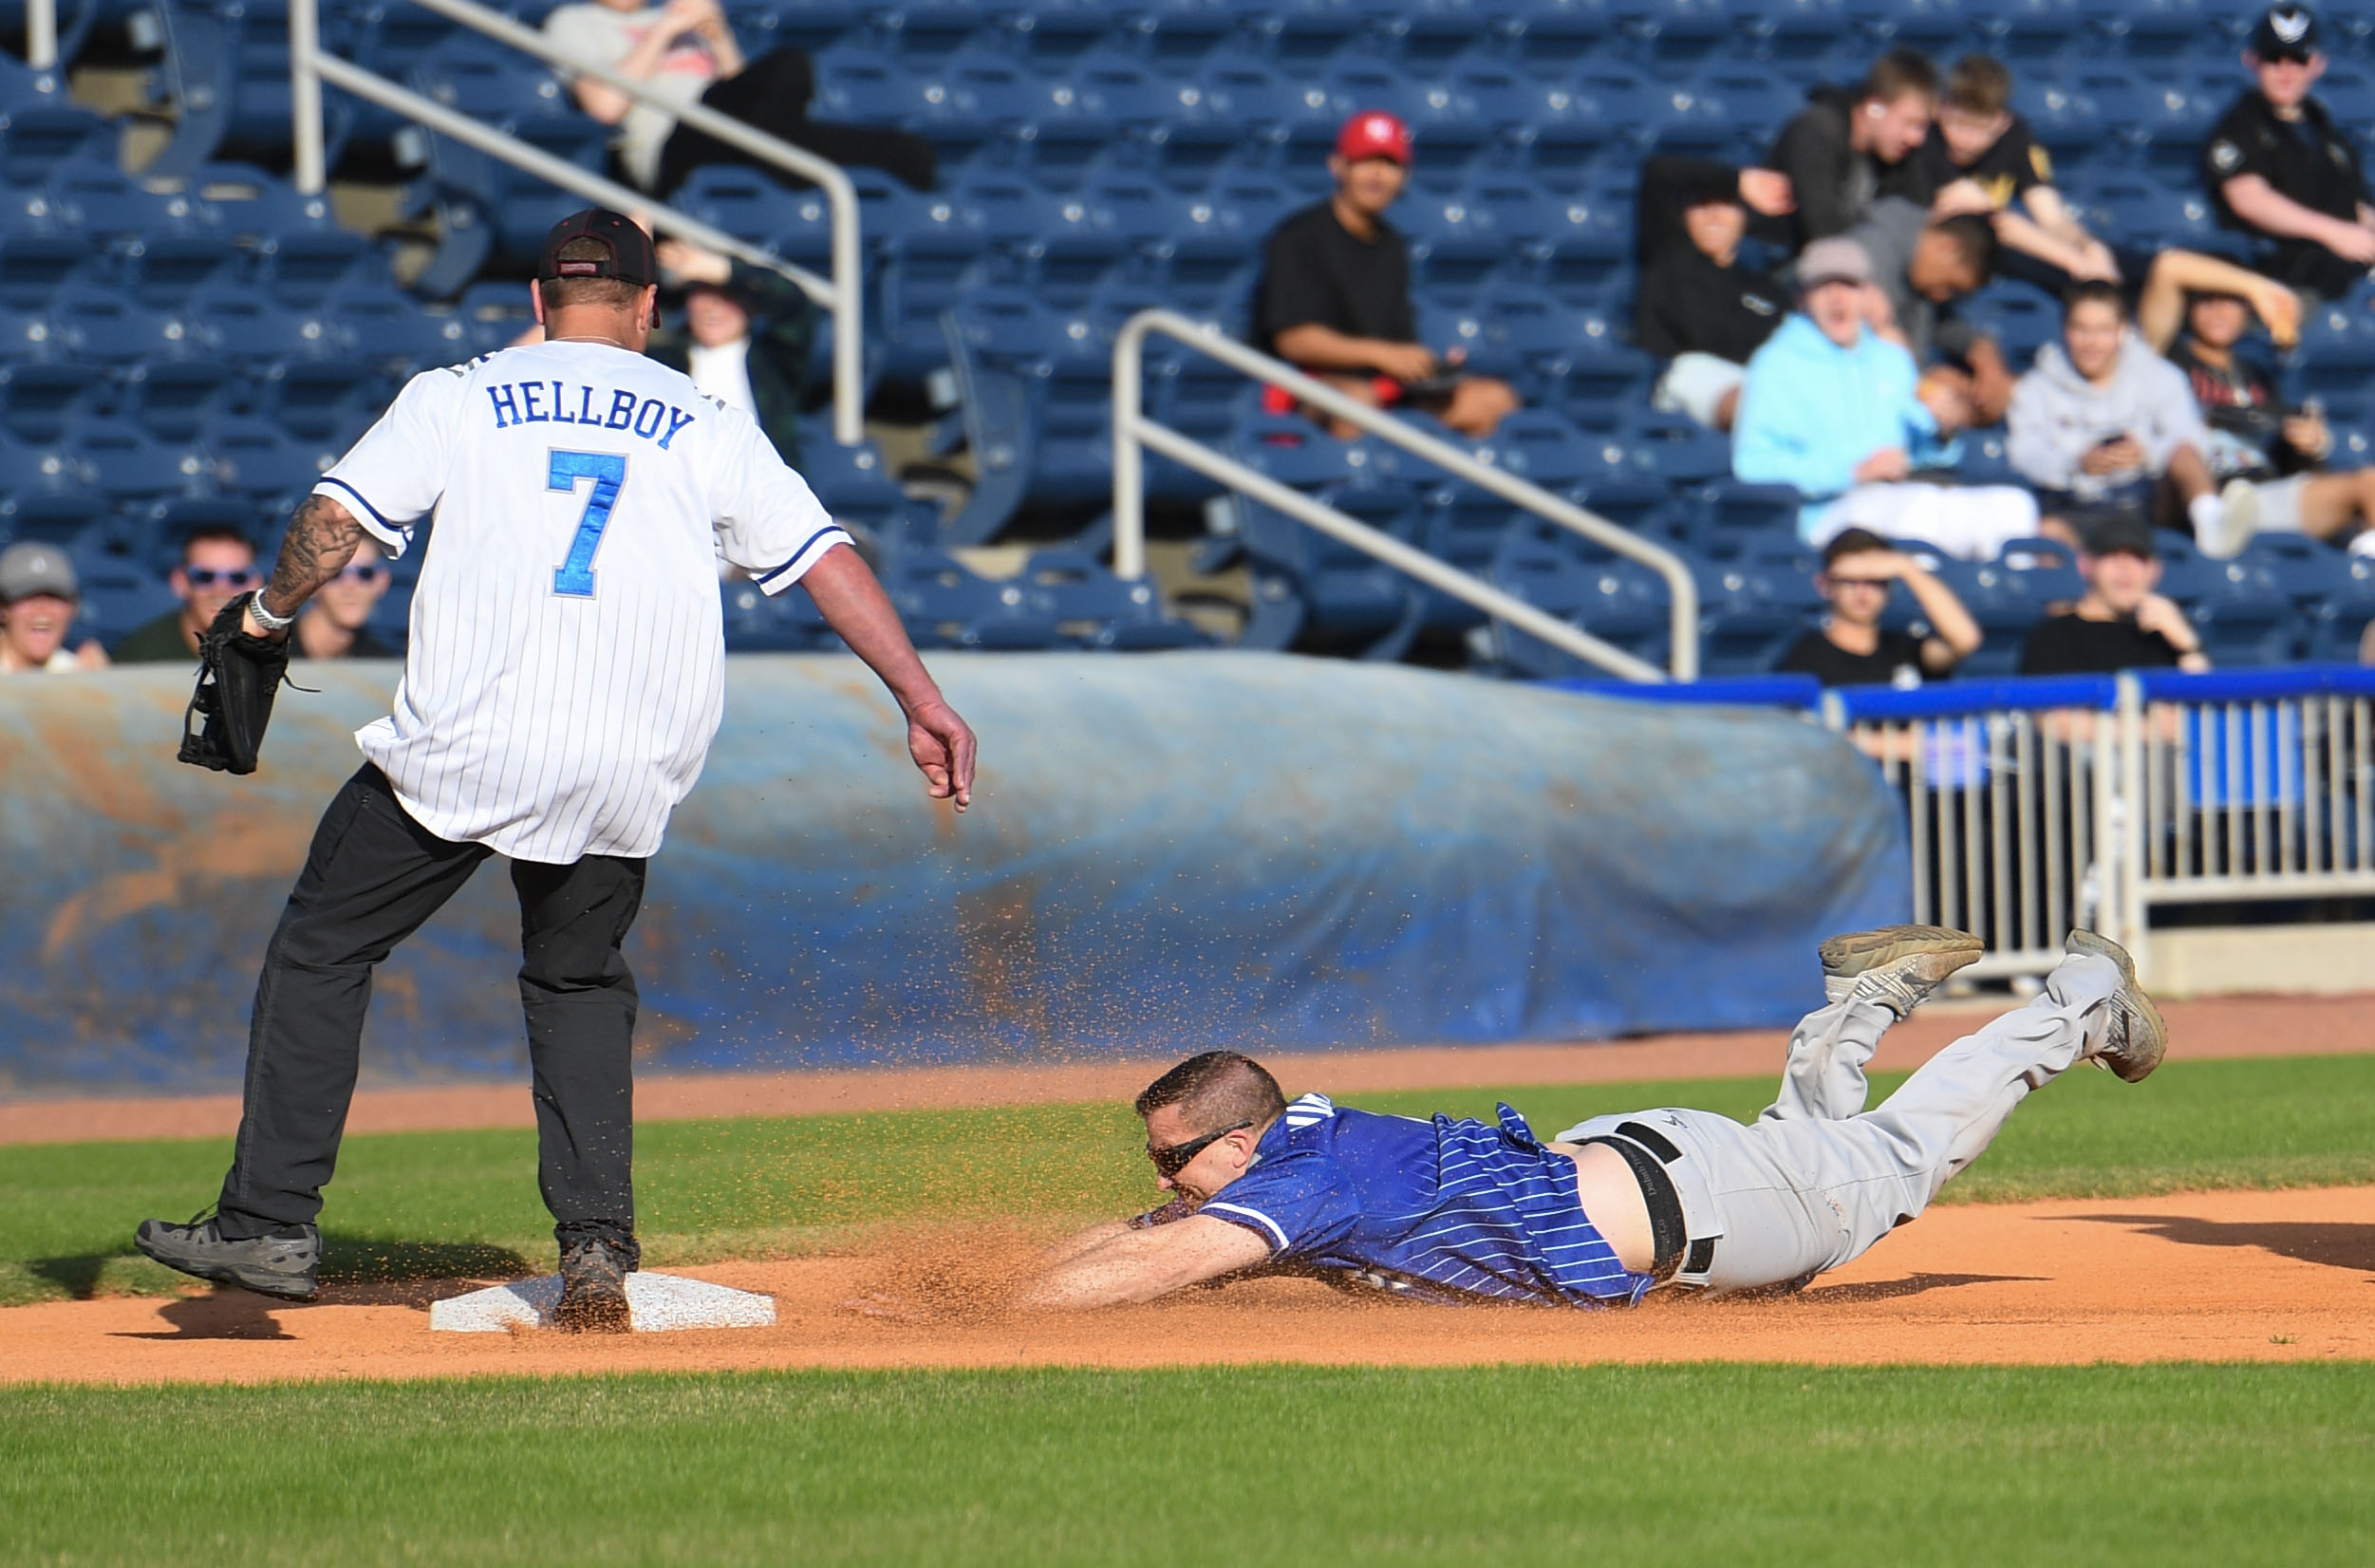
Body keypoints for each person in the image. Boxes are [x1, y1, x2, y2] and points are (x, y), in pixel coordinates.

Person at [133, 210, 978, 1331]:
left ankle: (268, 1220)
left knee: (323, 944)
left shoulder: (459, 393)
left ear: (538, 301)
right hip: (627, 757)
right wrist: (921, 699)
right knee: (576, 982)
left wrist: (266, 614)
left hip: (468, 743)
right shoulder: (705, 418)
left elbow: (335, 520)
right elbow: (823, 557)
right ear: (648, 306)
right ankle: (595, 1249)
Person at [1019, 926, 2164, 1310]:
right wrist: (994, 1277)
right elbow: (1148, 1234)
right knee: (1811, 1168)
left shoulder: (1306, 1182)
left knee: (1900, 1154)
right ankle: (1861, 998)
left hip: (1692, 1199)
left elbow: (1154, 1265)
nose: (1161, 1177)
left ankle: (2082, 1000)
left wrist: (1003, 1305)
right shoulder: (1301, 1143)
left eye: (1173, 1157)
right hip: (1665, 1173)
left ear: (1236, 1141)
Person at [1733, 236, 2039, 559]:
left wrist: (1941, 433)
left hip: (1902, 494)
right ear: (1803, 299)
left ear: (1866, 294)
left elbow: (1918, 455)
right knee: (1916, 508)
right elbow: (1753, 465)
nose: (1837, 298)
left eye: (1849, 285)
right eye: (1823, 287)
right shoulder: (1776, 364)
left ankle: (2010, 591)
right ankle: (1915, 593)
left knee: (2013, 506)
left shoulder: (1891, 359)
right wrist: (1851, 473)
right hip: (1823, 514)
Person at [1252, 111, 1520, 439]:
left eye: (1390, 164)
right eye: (1365, 161)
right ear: (1337, 166)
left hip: (1384, 386)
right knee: (1355, 403)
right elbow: (1294, 341)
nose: (1378, 174)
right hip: (1312, 386)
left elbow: (1397, 341)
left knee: (1493, 399)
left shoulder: (1392, 244)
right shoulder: (1298, 237)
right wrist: (1382, 354)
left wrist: (1429, 366)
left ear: (1404, 176)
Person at [541, 0, 934, 197]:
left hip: (743, 130)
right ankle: (790, 173)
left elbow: (748, 92)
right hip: (676, 142)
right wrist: (664, 31)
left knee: (906, 151)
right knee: (787, 64)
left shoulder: (679, 14)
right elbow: (605, 106)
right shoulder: (574, 21)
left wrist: (719, 36)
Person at [2006, 281, 2231, 551]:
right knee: (2047, 534)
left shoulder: (2159, 374)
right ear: (2065, 330)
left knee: (2185, 453)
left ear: (2122, 330)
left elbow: (2190, 436)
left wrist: (2144, 453)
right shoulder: (2035, 387)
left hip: (2147, 500)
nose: (2091, 343)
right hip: (2075, 504)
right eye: (2080, 329)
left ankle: (2212, 526)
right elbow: (2024, 452)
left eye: (2103, 330)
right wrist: (2078, 462)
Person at [2167, 288, 2375, 553]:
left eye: (2230, 301)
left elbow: (2296, 464)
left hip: (2260, 496)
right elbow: (2169, 271)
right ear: (2189, 307)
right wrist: (2255, 286)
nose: (2218, 312)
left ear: (2247, 309)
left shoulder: (2258, 373)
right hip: (2201, 496)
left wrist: (2312, 446)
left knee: (2370, 483)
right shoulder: (2169, 357)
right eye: (2207, 300)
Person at [2201, 5, 2375, 300]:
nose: (2286, 71)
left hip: (2341, 269)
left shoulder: (2325, 130)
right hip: (2279, 274)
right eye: (2273, 58)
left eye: (2298, 59)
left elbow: (2359, 206)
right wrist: (2335, 233)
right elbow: (2248, 200)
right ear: (2251, 60)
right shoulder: (2241, 126)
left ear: (2317, 64)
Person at [1905, 53, 2118, 287]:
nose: (1966, 139)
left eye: (1981, 127)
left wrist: (2089, 247)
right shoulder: (1924, 139)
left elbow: (2053, 219)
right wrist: (2076, 263)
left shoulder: (2016, 136)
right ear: (1939, 109)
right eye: (1959, 123)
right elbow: (1994, 220)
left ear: (2003, 122)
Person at [1633, 154, 1794, 432]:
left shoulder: (1765, 290)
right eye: (1702, 204)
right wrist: (1738, 181)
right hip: (1685, 376)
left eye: (1727, 205)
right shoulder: (1670, 259)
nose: (1715, 215)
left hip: (1756, 382)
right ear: (1683, 216)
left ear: (1744, 217)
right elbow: (1659, 172)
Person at [646, 235, 815, 463]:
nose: (712, 307)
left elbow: (794, 304)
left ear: (750, 304)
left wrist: (723, 270)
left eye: (727, 295)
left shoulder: (772, 360)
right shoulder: (663, 363)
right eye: (702, 293)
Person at [1842, 196, 2011, 418]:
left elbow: (1940, 321)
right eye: (1950, 287)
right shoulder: (1866, 258)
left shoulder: (1919, 275)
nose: (1942, 296)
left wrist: (1980, 349)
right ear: (1949, 246)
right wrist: (1924, 387)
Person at [1767, 49, 1939, 252]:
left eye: (1923, 127)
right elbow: (1821, 233)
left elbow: (1918, 220)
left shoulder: (1899, 153)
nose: (1917, 139)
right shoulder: (1815, 131)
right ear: (1875, 108)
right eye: (1910, 123)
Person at [1773, 527, 1980, 686]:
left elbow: (1965, 640)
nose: (1862, 592)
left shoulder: (1902, 649)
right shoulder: (1806, 656)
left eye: (1874, 581)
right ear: (1824, 585)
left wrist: (1907, 569)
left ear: (1889, 587)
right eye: (1850, 581)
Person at [2018, 513, 2211, 674]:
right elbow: (2055, 708)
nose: (2124, 566)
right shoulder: (2054, 637)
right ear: (2085, 564)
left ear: (2154, 569)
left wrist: (2188, 647)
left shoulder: (2167, 636)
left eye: (2137, 557)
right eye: (2111, 555)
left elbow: (2200, 703)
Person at [109, 527, 259, 664]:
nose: (221, 590)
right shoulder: (143, 655)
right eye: (205, 577)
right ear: (179, 582)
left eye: (238, 578)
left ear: (255, 584)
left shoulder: (269, 650)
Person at [0, 541, 107, 673]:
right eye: (28, 596)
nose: (42, 608)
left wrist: (98, 682)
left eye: (54, 596)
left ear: (74, 608)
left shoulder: (79, 671)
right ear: (3, 608)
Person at [290, 537, 397, 660]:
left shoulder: (380, 662)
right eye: (335, 573)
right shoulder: (273, 652)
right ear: (311, 583)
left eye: (365, 573)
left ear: (382, 582)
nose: (350, 588)